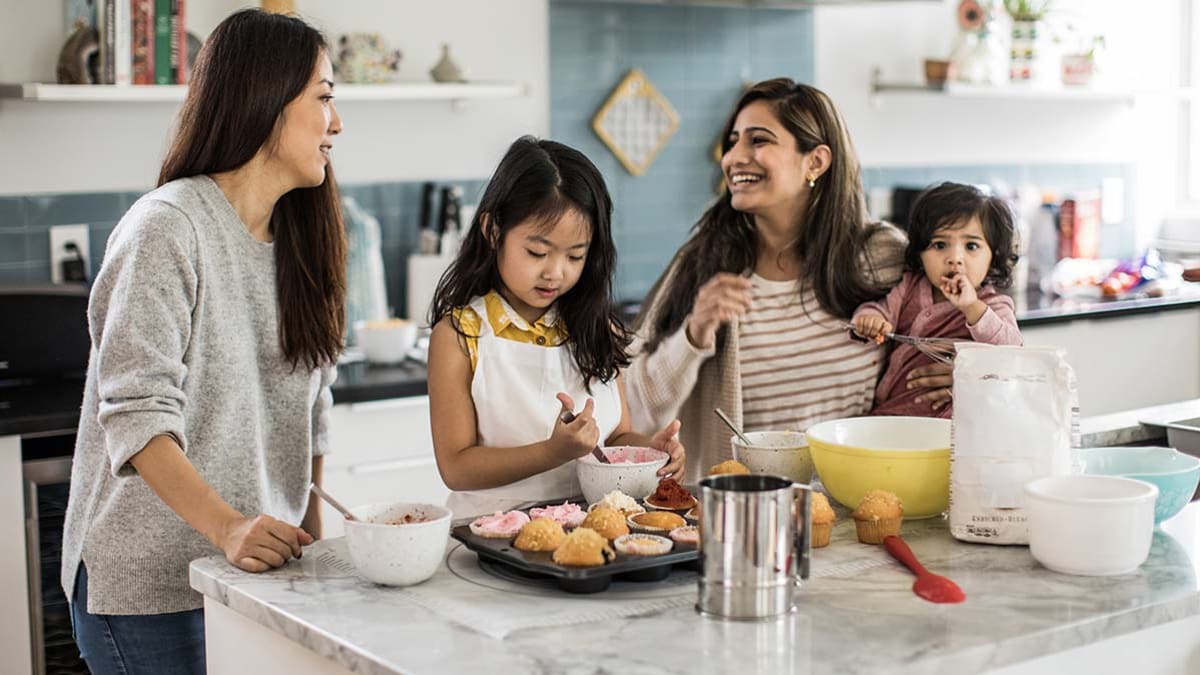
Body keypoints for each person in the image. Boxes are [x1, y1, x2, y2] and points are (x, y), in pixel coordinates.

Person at [61, 10, 345, 674]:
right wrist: (230, 528)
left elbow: (314, 411)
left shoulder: (303, 240)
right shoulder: (165, 229)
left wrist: (315, 553)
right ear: (267, 100)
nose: (337, 124)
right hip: (148, 592)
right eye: (325, 97)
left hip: (256, 576)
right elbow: (136, 416)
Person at [625, 79, 953, 481]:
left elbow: (962, 330)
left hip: (860, 505)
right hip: (746, 514)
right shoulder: (702, 264)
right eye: (732, 142)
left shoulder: (882, 256)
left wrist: (963, 371)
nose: (734, 158)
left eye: (758, 141)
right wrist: (693, 335)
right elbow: (633, 408)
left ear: (815, 161)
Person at [427, 136, 685, 518]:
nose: (555, 272)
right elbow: (456, 468)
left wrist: (651, 450)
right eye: (537, 252)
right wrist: (553, 453)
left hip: (594, 530)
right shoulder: (459, 336)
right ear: (493, 231)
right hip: (490, 536)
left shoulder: (599, 328)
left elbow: (614, 437)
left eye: (575, 256)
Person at [852, 182, 1022, 417]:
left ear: (994, 257)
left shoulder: (993, 305)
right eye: (940, 245)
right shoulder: (910, 287)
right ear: (920, 253)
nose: (954, 258)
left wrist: (972, 307)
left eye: (971, 246)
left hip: (955, 423)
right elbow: (881, 310)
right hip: (895, 412)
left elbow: (1011, 350)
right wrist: (870, 318)